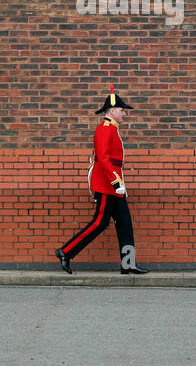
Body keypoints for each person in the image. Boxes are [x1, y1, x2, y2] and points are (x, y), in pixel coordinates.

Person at [55, 85, 149, 275]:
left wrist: (119, 183)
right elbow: (104, 159)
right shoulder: (105, 129)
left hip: (115, 184)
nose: (124, 114)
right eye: (122, 110)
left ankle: (128, 263)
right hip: (107, 185)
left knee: (124, 223)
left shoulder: (111, 128)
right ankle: (65, 251)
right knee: (99, 223)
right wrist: (115, 182)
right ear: (112, 111)